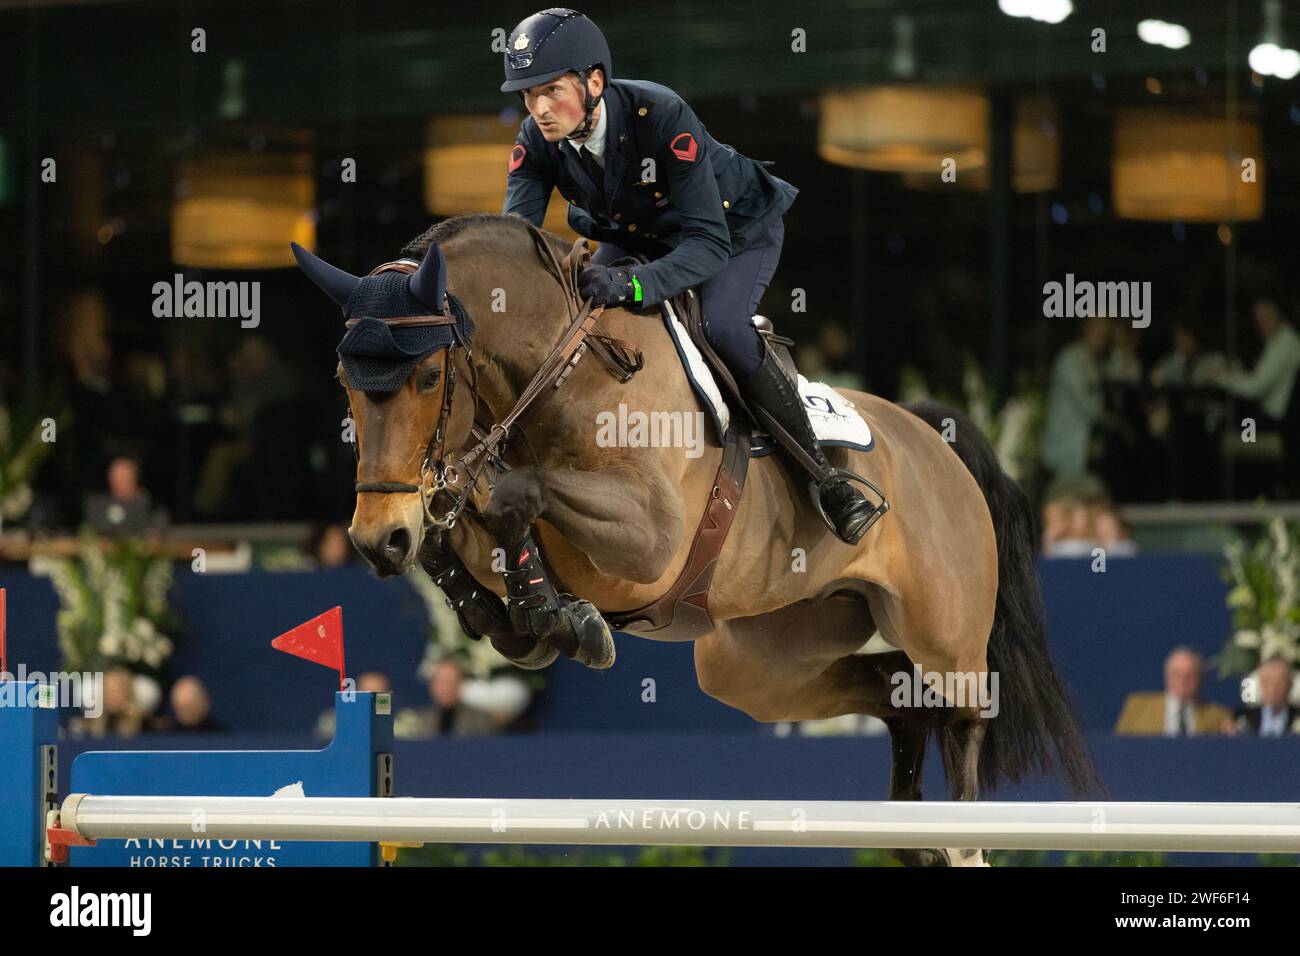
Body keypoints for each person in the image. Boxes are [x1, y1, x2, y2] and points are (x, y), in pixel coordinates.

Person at [499, 7, 879, 545]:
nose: (538, 108)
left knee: (721, 328)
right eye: (527, 94)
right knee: (582, 320)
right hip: (640, 236)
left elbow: (706, 243)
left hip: (731, 230)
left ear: (594, 82)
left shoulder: (662, 115)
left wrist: (633, 285)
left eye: (551, 90)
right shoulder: (537, 140)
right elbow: (515, 238)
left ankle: (827, 479)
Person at [1041, 316, 1108, 479]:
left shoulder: (1096, 362)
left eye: (1105, 334)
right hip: (1066, 452)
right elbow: (1092, 408)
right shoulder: (1070, 359)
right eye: (1098, 331)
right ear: (1087, 330)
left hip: (1080, 454)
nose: (1103, 339)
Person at [1114, 647, 1232, 736]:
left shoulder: (1217, 716)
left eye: (1190, 675)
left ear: (1199, 679)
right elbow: (1120, 748)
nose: (1183, 680)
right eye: (1177, 674)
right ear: (1167, 677)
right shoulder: (1138, 708)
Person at [1229, 657, 1299, 737]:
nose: (1273, 689)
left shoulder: (1297, 717)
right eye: (1268, 681)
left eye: (1280, 682)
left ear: (1290, 685)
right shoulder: (1242, 718)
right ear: (1260, 683)